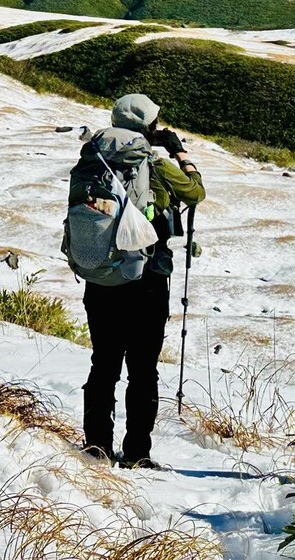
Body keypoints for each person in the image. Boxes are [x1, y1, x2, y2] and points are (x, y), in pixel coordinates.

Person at [81, 94, 205, 469]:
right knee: (142, 368)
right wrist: (181, 154)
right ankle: (137, 453)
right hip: (148, 278)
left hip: (100, 273)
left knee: (103, 362)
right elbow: (196, 192)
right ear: (149, 126)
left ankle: (97, 447)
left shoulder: (92, 157)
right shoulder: (155, 163)